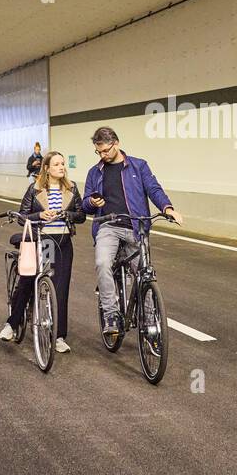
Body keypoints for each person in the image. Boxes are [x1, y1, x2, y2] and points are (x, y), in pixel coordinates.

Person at [81, 127, 182, 338]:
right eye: (98, 152)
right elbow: (85, 205)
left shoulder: (138, 165)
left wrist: (167, 208)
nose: (102, 155)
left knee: (144, 275)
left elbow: (153, 189)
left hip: (137, 227)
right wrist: (92, 202)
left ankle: (149, 322)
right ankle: (111, 315)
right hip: (108, 226)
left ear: (116, 143)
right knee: (102, 263)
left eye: (106, 151)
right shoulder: (95, 172)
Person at [0, 152, 86, 352]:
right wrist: (39, 214)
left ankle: (59, 337)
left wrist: (68, 214)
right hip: (44, 241)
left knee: (61, 290)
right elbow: (23, 216)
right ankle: (11, 324)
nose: (61, 167)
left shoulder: (71, 188)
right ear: (47, 168)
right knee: (30, 280)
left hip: (63, 242)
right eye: (56, 164)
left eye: (63, 163)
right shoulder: (35, 189)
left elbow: (81, 216)